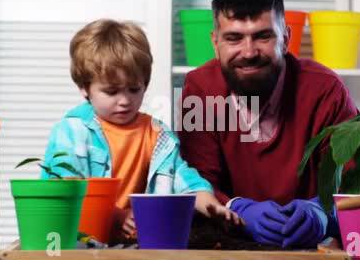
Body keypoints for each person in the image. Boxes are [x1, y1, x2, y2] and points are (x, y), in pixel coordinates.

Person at [178, 0, 358, 249]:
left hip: (312, 256)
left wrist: (321, 212)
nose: (248, 52)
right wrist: (238, 207)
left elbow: (353, 184)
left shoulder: (325, 90)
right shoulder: (200, 89)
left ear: (286, 38)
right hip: (229, 253)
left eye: (262, 36)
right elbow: (192, 180)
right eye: (234, 38)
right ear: (215, 43)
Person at [42, 19, 242, 244]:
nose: (125, 100)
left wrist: (211, 204)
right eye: (111, 91)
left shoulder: (157, 135)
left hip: (142, 243)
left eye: (134, 89)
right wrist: (115, 215)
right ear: (84, 87)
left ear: (145, 84)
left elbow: (184, 179)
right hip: (81, 245)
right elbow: (65, 190)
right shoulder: (71, 131)